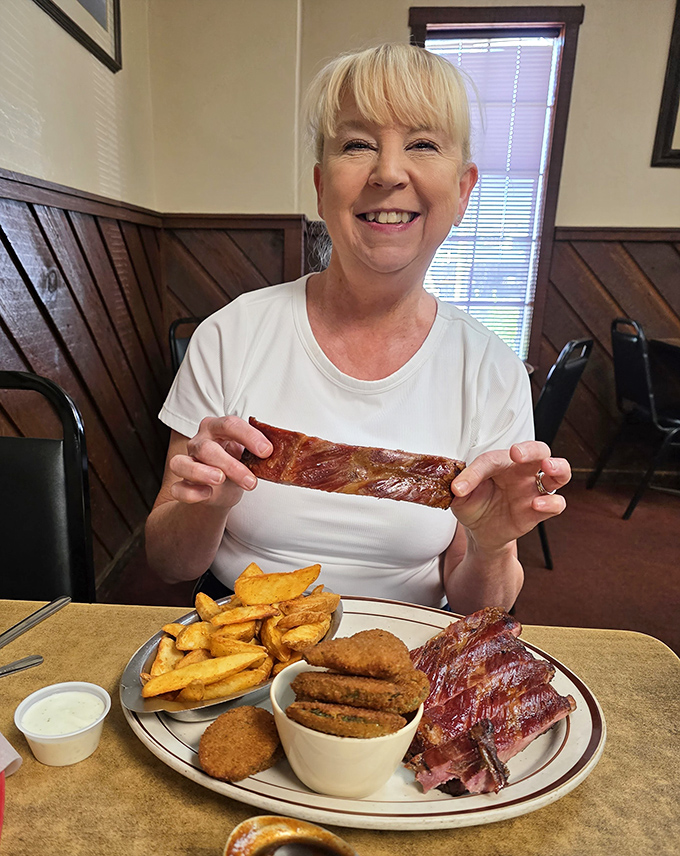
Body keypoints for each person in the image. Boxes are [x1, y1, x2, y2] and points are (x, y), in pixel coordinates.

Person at [145, 43, 570, 613]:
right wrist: (207, 505)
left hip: (409, 645)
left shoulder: (489, 370)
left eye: (422, 144)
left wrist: (493, 547)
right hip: (240, 633)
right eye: (358, 144)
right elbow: (169, 563)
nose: (389, 172)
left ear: (464, 190)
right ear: (322, 187)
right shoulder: (231, 334)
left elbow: (478, 606)